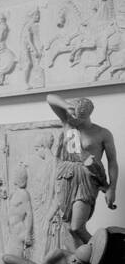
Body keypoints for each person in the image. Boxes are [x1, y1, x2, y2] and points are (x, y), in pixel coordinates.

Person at [48, 93, 117, 246]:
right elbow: (49, 98)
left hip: (88, 179)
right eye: (71, 115)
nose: (71, 118)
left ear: (86, 116)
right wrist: (67, 106)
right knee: (68, 226)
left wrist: (112, 188)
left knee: (77, 227)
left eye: (76, 116)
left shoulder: (102, 133)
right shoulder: (68, 125)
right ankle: (79, 260)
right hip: (67, 177)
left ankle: (104, 254)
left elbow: (112, 162)